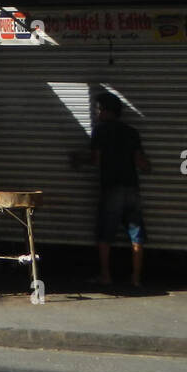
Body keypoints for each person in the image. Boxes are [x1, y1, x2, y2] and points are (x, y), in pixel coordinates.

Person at [76, 92, 151, 288]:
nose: (97, 113)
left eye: (99, 109)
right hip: (132, 188)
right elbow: (141, 163)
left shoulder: (100, 131)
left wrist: (79, 159)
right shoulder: (132, 132)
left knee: (105, 234)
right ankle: (136, 278)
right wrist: (148, 166)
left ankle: (105, 276)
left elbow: (95, 160)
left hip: (112, 188)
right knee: (136, 234)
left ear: (107, 111)